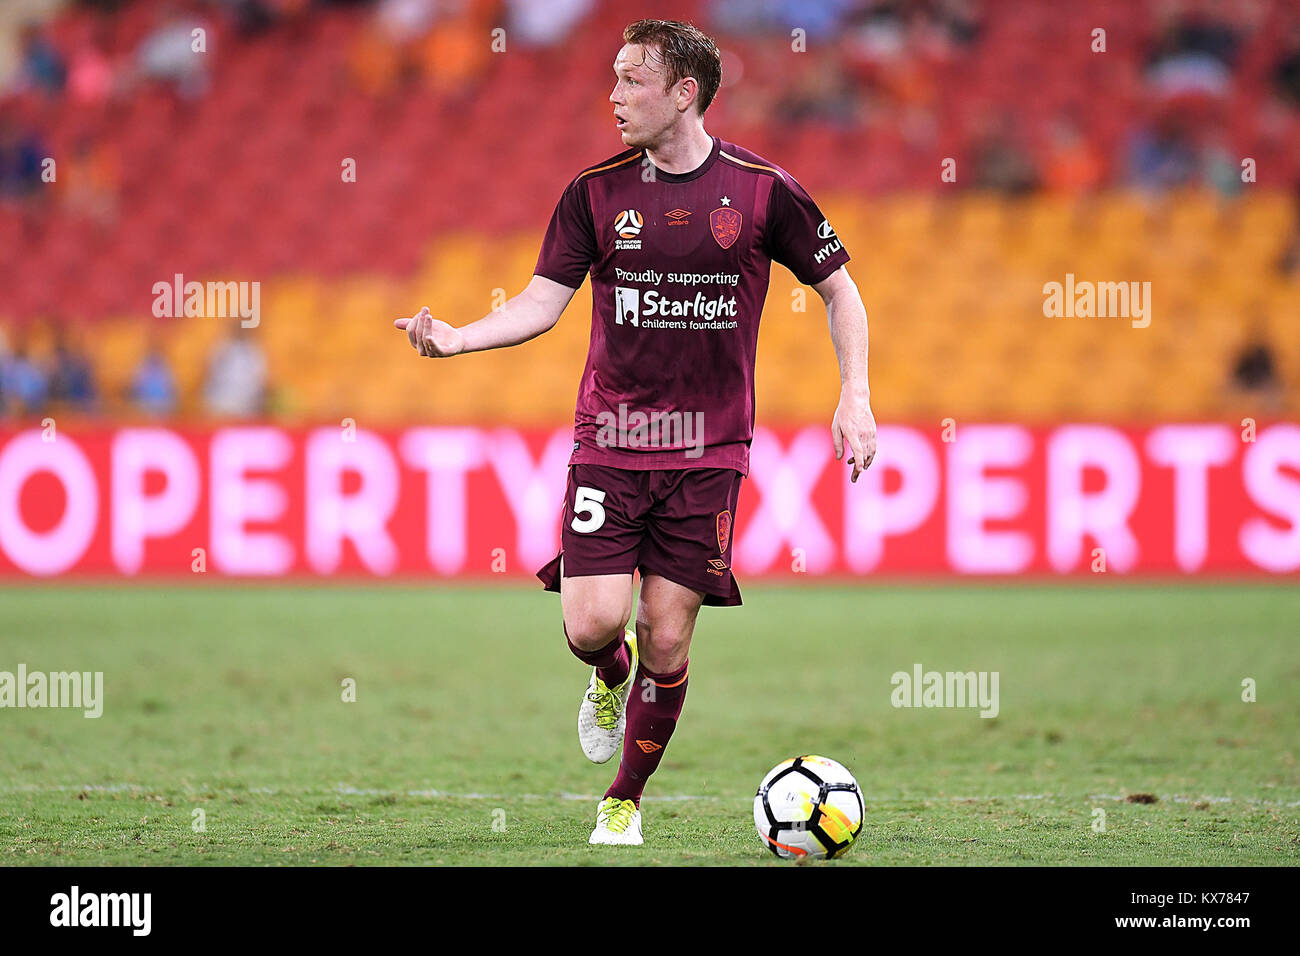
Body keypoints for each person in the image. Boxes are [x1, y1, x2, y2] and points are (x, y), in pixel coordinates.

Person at [392, 18, 876, 847]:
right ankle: (605, 680)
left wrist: (855, 394)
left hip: (710, 449)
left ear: (684, 93)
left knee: (666, 631)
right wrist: (458, 338)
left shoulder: (763, 191)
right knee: (590, 625)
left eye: (631, 80)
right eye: (612, 79)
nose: (613, 96)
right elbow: (544, 303)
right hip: (610, 441)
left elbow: (841, 289)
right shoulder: (594, 192)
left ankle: (623, 800)